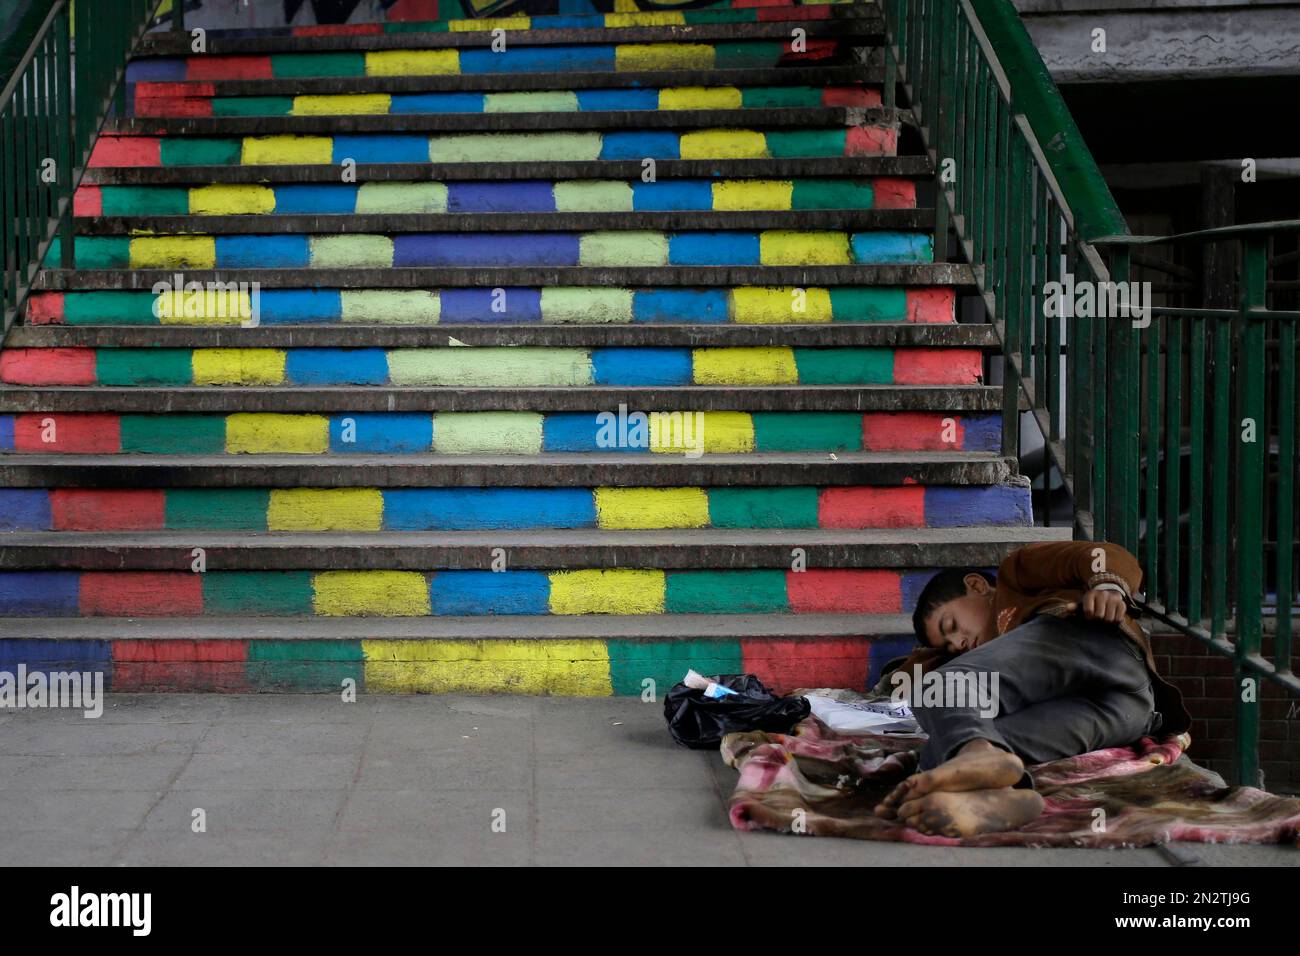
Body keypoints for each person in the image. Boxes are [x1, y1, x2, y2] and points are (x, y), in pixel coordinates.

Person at [872, 540, 1192, 838]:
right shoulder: (990, 654)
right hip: (1127, 712)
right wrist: (930, 656)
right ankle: (1004, 798)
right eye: (949, 646)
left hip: (1092, 646)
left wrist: (1108, 587)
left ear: (976, 585)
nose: (958, 644)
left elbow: (1098, 554)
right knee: (944, 751)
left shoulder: (1017, 573)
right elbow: (906, 682)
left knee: (940, 687)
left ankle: (977, 755)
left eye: (951, 626)